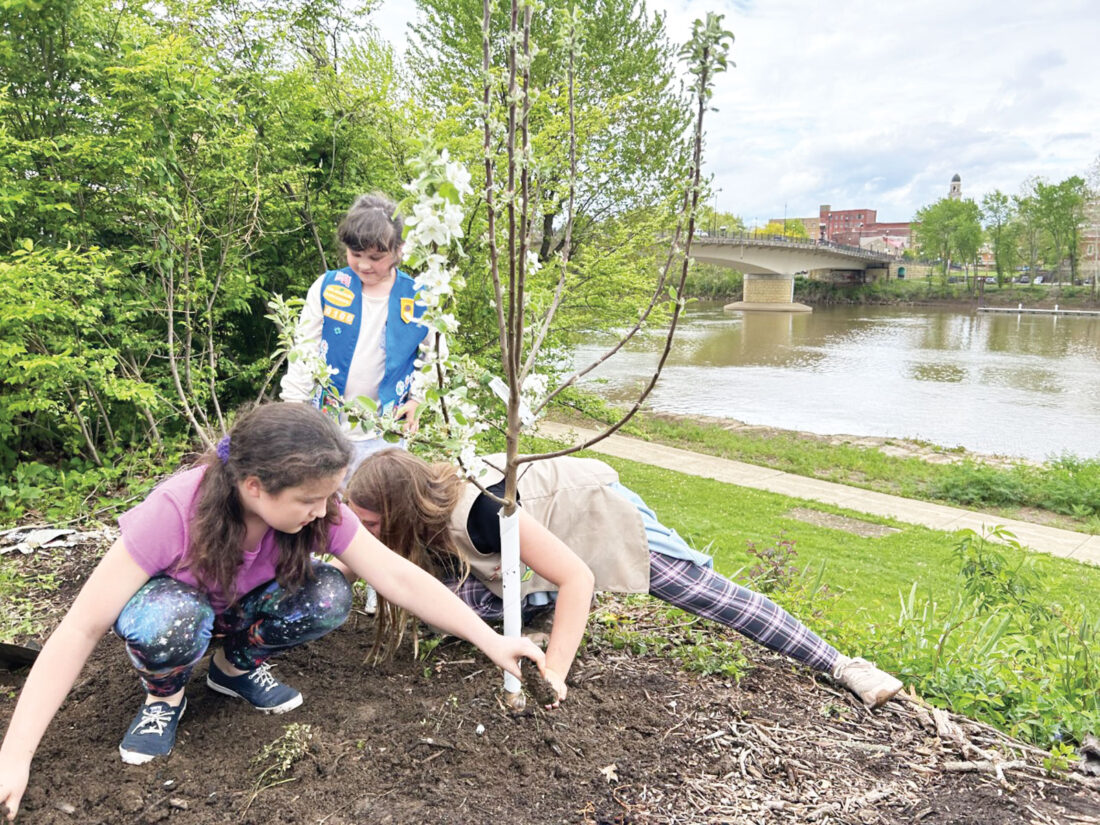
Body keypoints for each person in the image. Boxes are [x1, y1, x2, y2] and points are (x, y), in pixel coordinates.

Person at [0, 404, 542, 822]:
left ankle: (234, 670)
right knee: (166, 621)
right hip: (179, 618)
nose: (325, 511)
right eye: (311, 499)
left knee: (330, 593)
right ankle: (165, 695)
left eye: (330, 496)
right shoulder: (173, 512)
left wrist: (490, 641)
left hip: (242, 615)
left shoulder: (318, 511)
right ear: (254, 487)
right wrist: (15, 754)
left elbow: (396, 576)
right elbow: (80, 627)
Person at [345, 449, 903, 710]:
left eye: (370, 522)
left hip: (592, 509)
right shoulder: (427, 515)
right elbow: (368, 558)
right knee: (445, 597)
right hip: (536, 539)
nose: (364, 531)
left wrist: (554, 675)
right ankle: (536, 625)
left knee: (703, 594)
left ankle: (841, 664)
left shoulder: (485, 512)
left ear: (397, 508)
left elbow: (579, 576)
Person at [280, 193, 439, 468]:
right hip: (324, 428)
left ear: (399, 250)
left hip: (385, 433)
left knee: (376, 503)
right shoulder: (328, 287)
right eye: (356, 255)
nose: (364, 265)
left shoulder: (419, 298)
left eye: (376, 257)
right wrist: (293, 407)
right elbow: (305, 349)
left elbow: (433, 358)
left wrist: (418, 399)